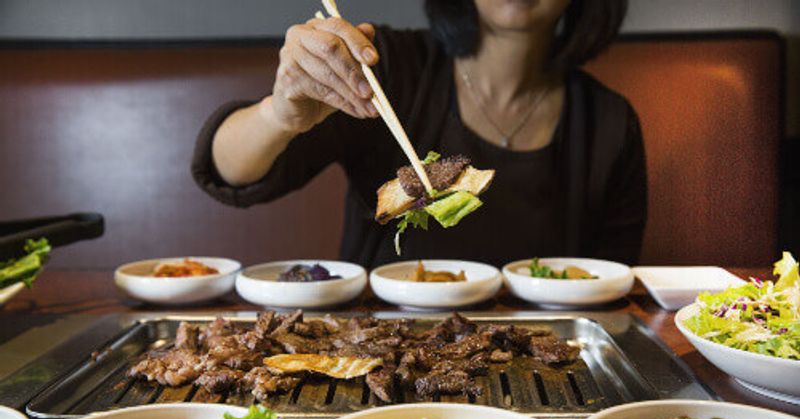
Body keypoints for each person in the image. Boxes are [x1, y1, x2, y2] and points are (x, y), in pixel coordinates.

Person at [192, 0, 646, 269]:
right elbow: (228, 172)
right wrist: (280, 115)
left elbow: (609, 285)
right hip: (376, 352)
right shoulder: (383, 69)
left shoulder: (608, 121)